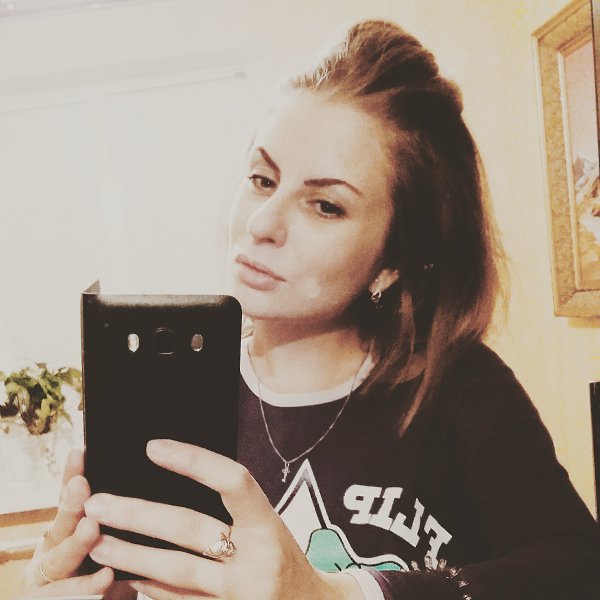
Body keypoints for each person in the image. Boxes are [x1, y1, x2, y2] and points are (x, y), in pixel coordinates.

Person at [21, 19, 600, 600]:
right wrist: (63, 583)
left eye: (325, 205)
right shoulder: (170, 390)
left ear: (394, 259)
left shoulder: (456, 387)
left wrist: (337, 595)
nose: (262, 223)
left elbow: (578, 568)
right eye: (261, 179)